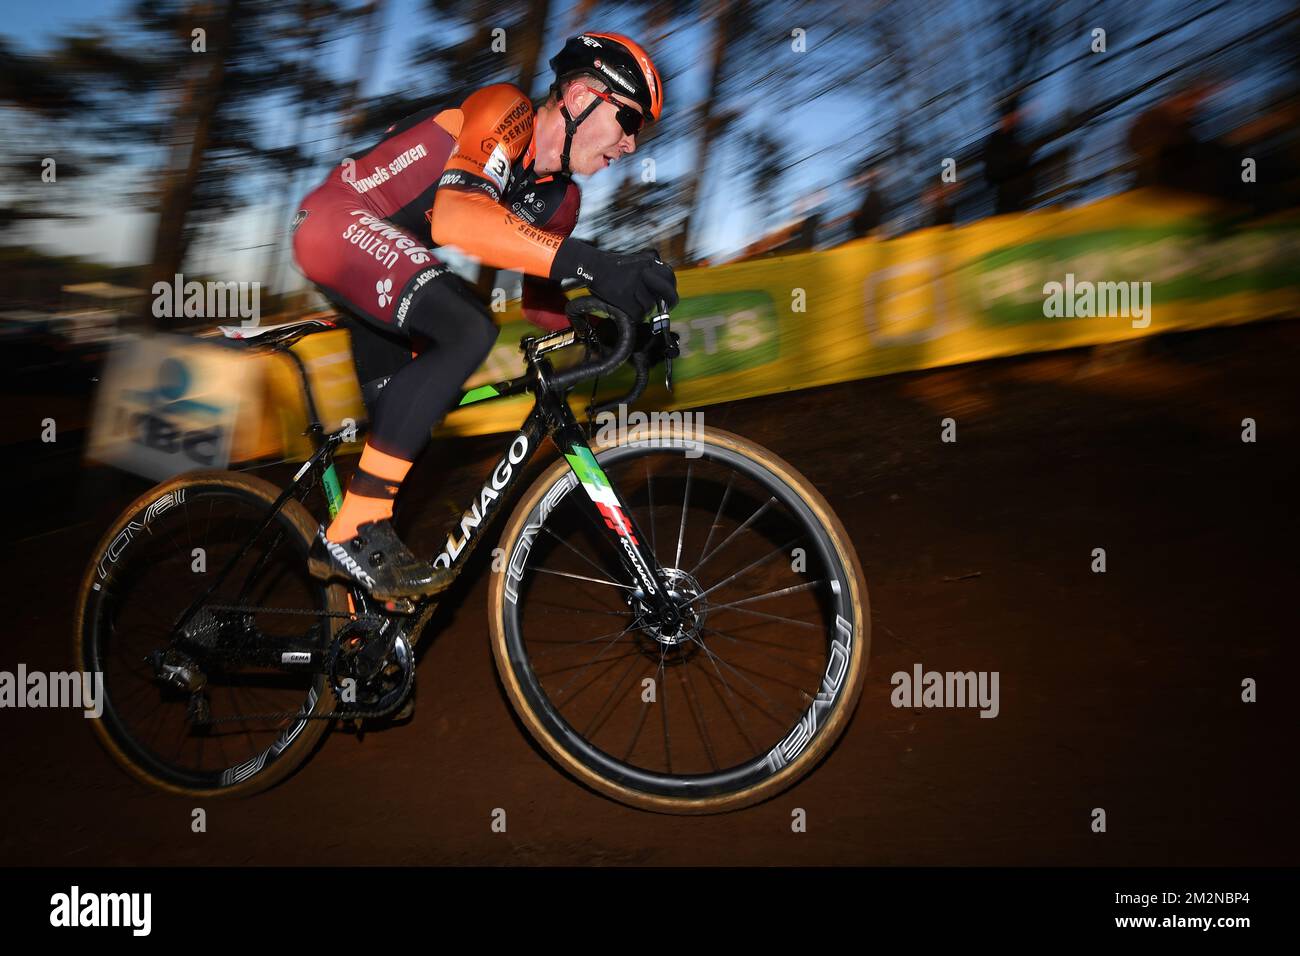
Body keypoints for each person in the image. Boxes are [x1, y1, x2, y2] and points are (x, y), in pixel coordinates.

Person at [292, 32, 678, 601]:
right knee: (468, 328)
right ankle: (352, 532)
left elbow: (540, 306)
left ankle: (357, 628)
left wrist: (611, 330)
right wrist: (595, 264)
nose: (630, 144)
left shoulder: (559, 201)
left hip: (384, 263)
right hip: (336, 220)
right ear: (578, 96)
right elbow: (456, 217)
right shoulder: (506, 110)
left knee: (406, 427)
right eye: (628, 120)